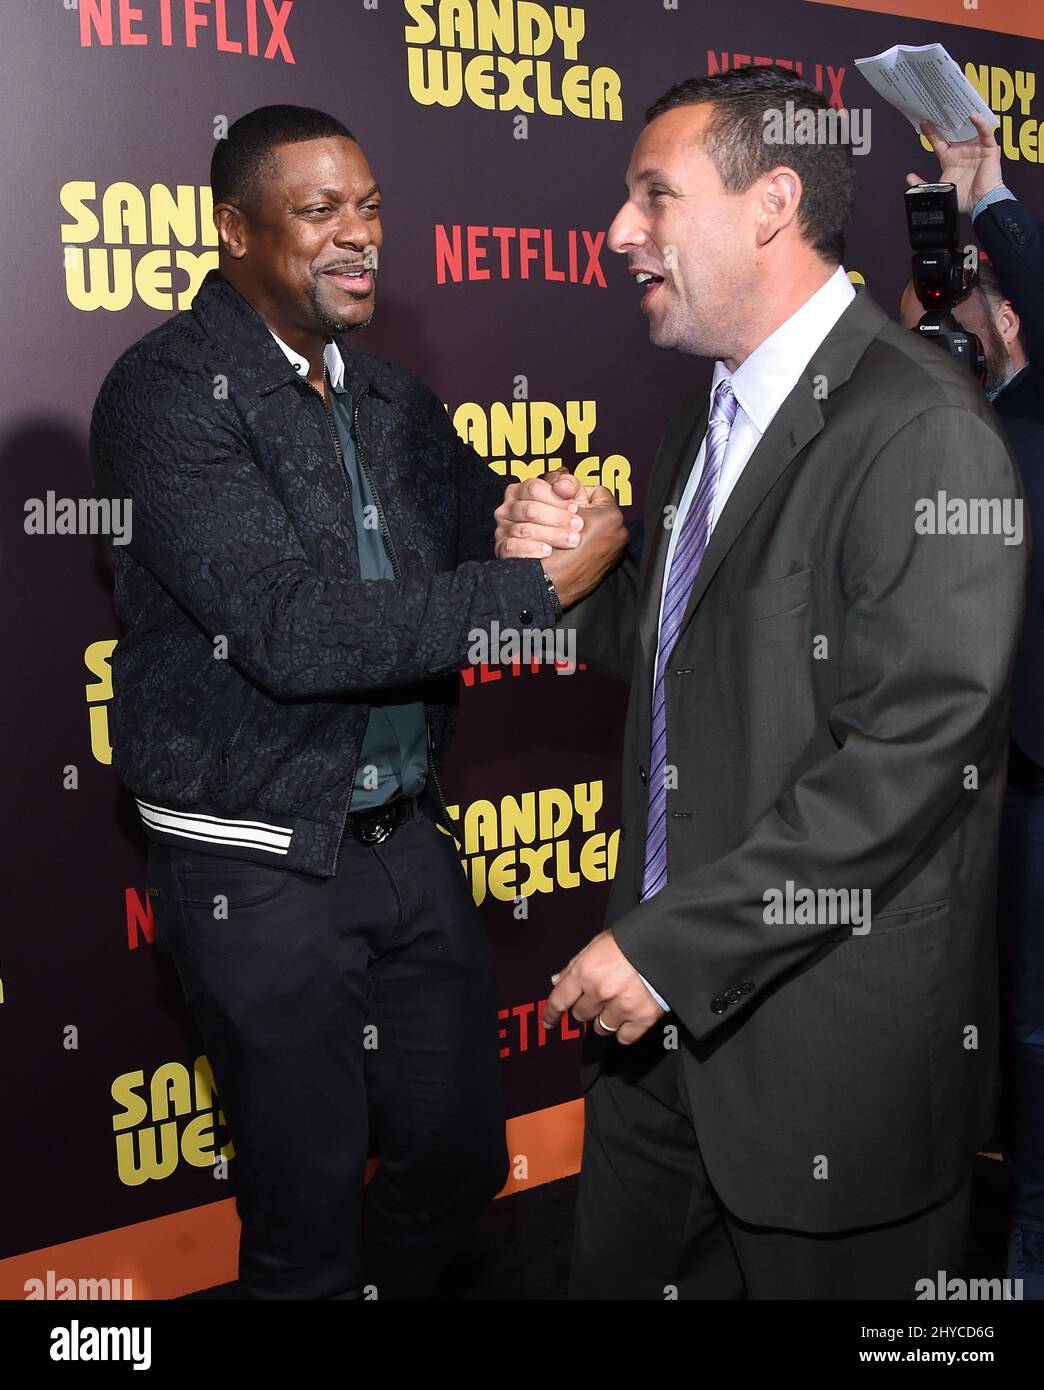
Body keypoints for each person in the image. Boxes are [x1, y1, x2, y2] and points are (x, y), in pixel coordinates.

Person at [495, 66, 1028, 1299]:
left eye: (654, 196)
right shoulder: (703, 422)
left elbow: (906, 764)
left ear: (771, 201)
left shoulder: (921, 429)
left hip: (824, 1070)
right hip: (657, 1063)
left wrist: (671, 947)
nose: (621, 232)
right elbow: (673, 649)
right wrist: (564, 571)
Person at [88, 104, 625, 1300]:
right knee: (305, 1214)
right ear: (234, 230)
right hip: (254, 860)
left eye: (371, 207)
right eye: (320, 210)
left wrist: (559, 514)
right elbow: (285, 631)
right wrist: (533, 584)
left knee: (457, 1155)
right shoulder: (166, 394)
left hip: (401, 834)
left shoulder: (390, 399)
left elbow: (491, 520)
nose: (358, 237)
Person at [905, 115, 1044, 1298]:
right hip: (974, 779)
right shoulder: (948, 426)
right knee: (1001, 1025)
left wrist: (990, 198)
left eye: (986, 301)